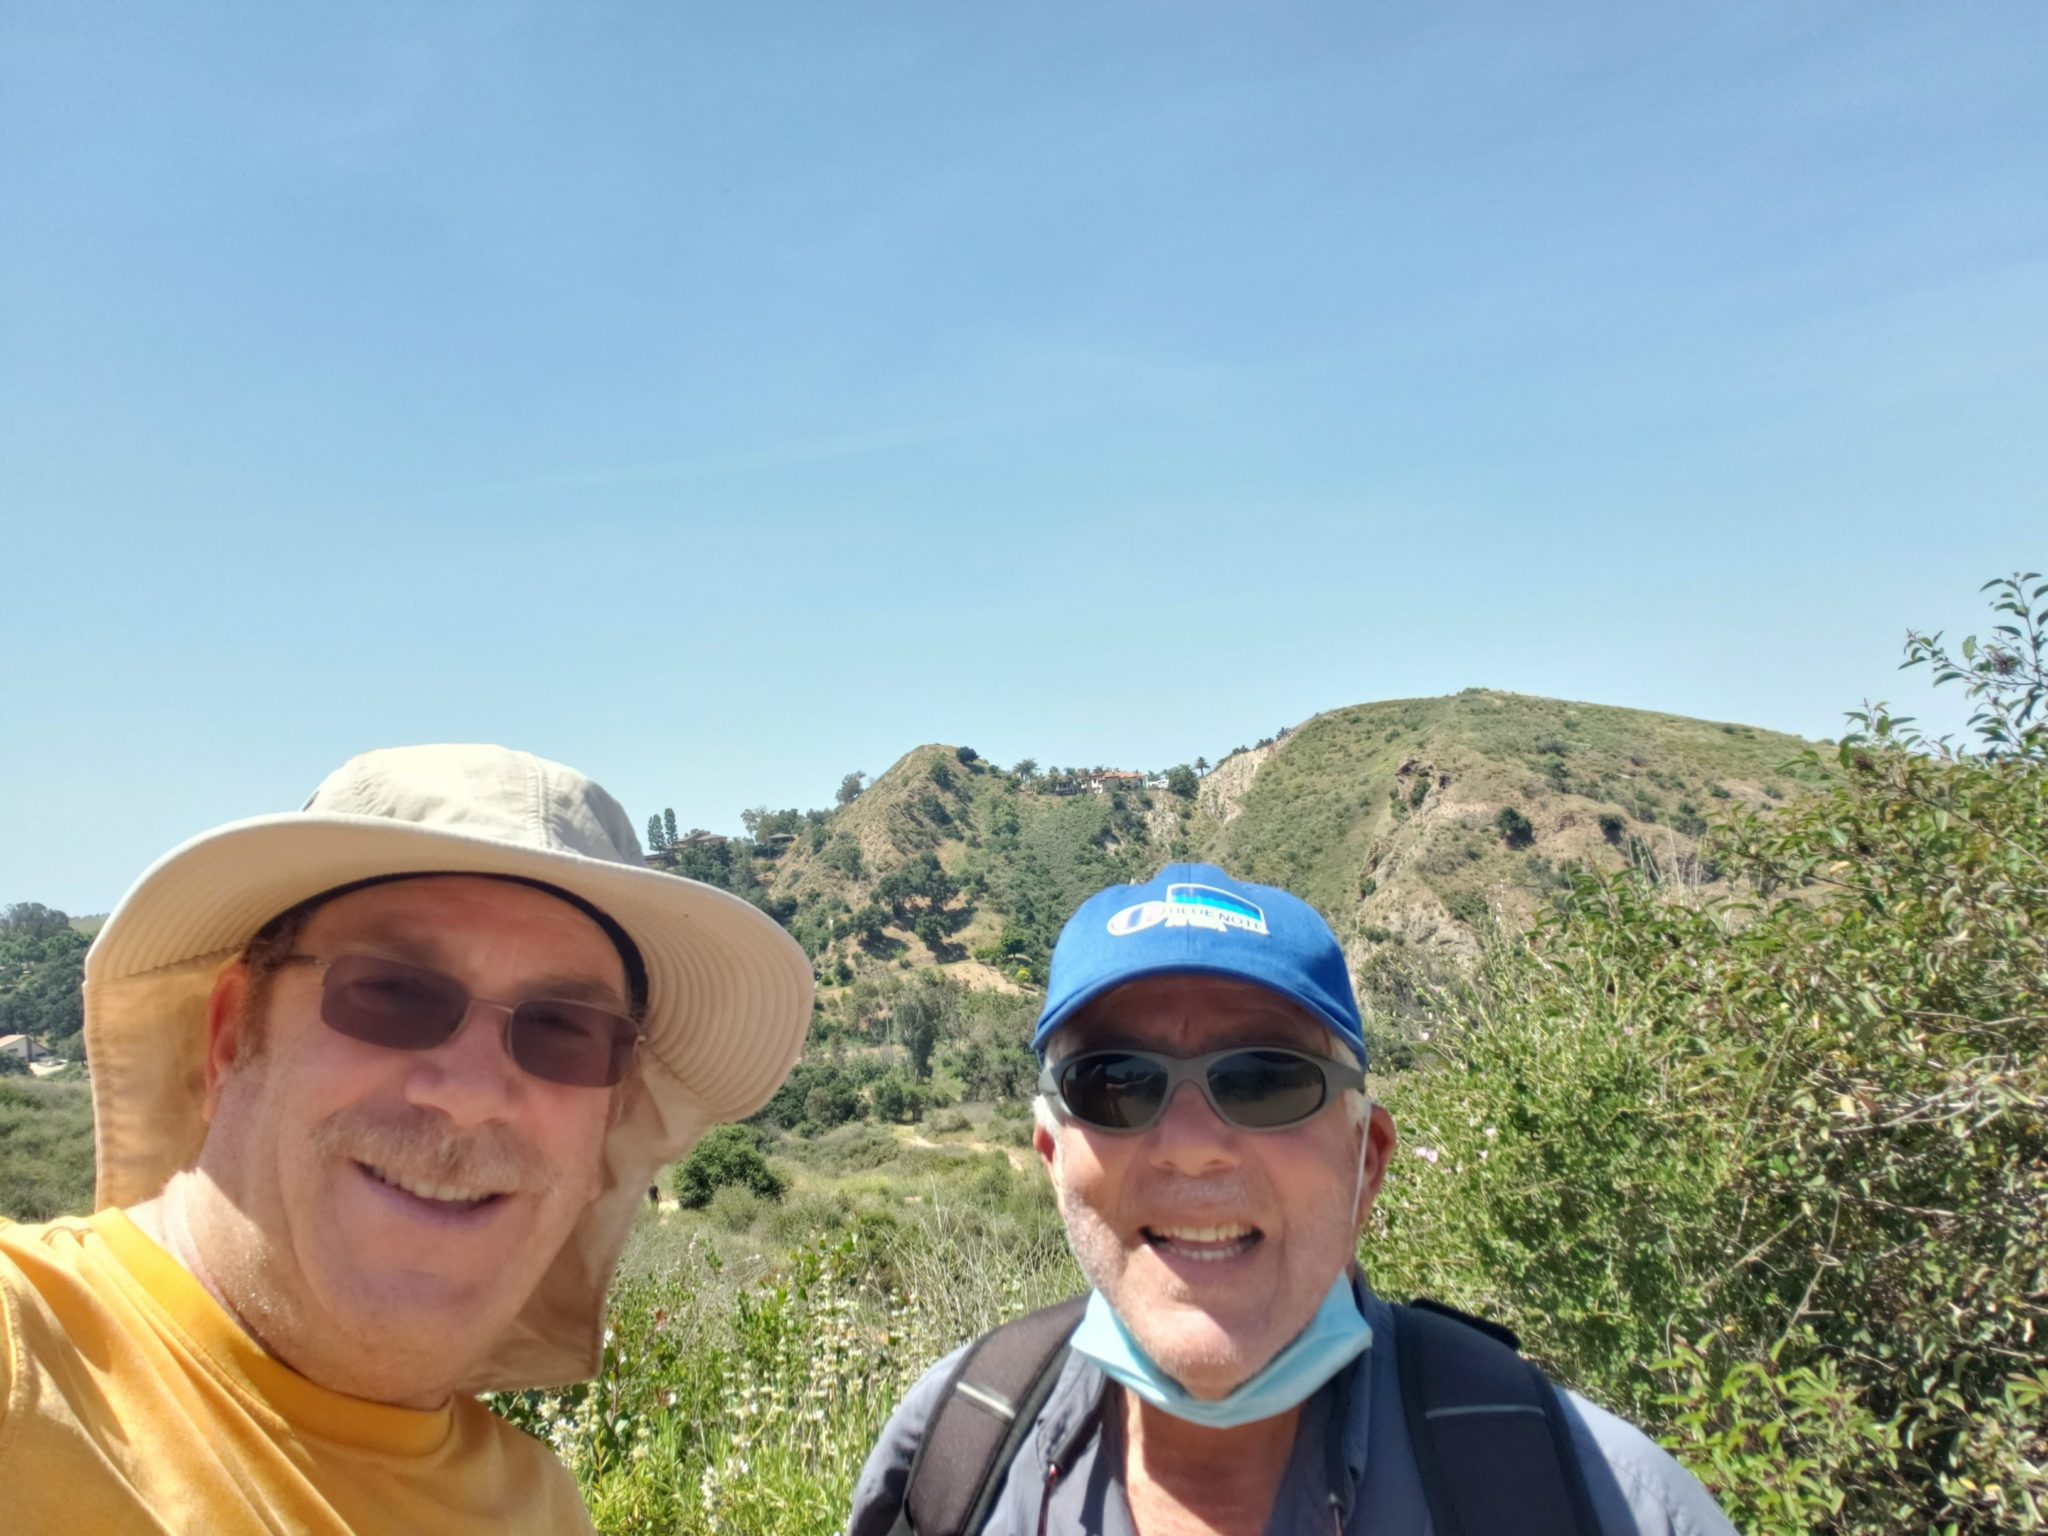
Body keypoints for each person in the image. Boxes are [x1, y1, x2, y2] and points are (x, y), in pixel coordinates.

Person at [0, 744, 814, 1534]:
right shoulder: (25, 1362)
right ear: (228, 1040)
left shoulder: (539, 1504)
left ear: (608, 1121)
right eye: (390, 992)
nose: (466, 1093)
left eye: (564, 1030)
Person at [848, 864, 1736, 1536]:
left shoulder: (1594, 1497)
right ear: (1052, 1156)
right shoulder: (955, 1449)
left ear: (1369, 1161)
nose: (1192, 1145)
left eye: (1266, 1080)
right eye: (1114, 1083)